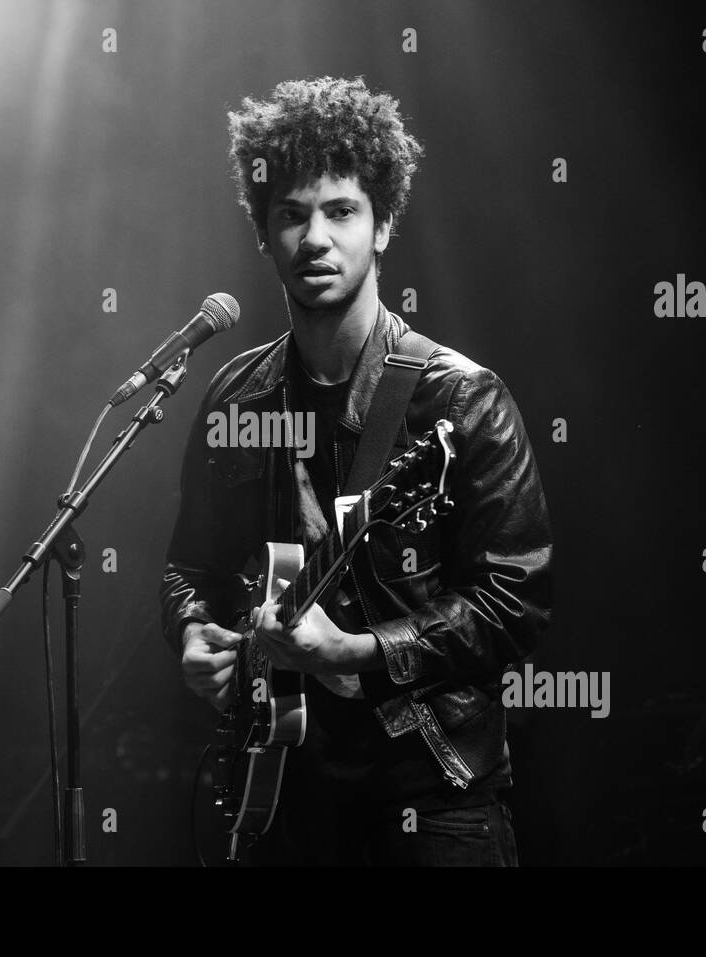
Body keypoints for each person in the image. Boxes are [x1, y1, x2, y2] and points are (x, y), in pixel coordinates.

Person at [159, 76, 553, 866]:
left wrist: (362, 650)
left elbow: (515, 603)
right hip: (281, 795)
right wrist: (192, 632)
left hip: (433, 795)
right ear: (264, 232)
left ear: (382, 227)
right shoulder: (237, 395)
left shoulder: (459, 398)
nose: (315, 238)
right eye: (291, 214)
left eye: (341, 211)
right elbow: (187, 565)